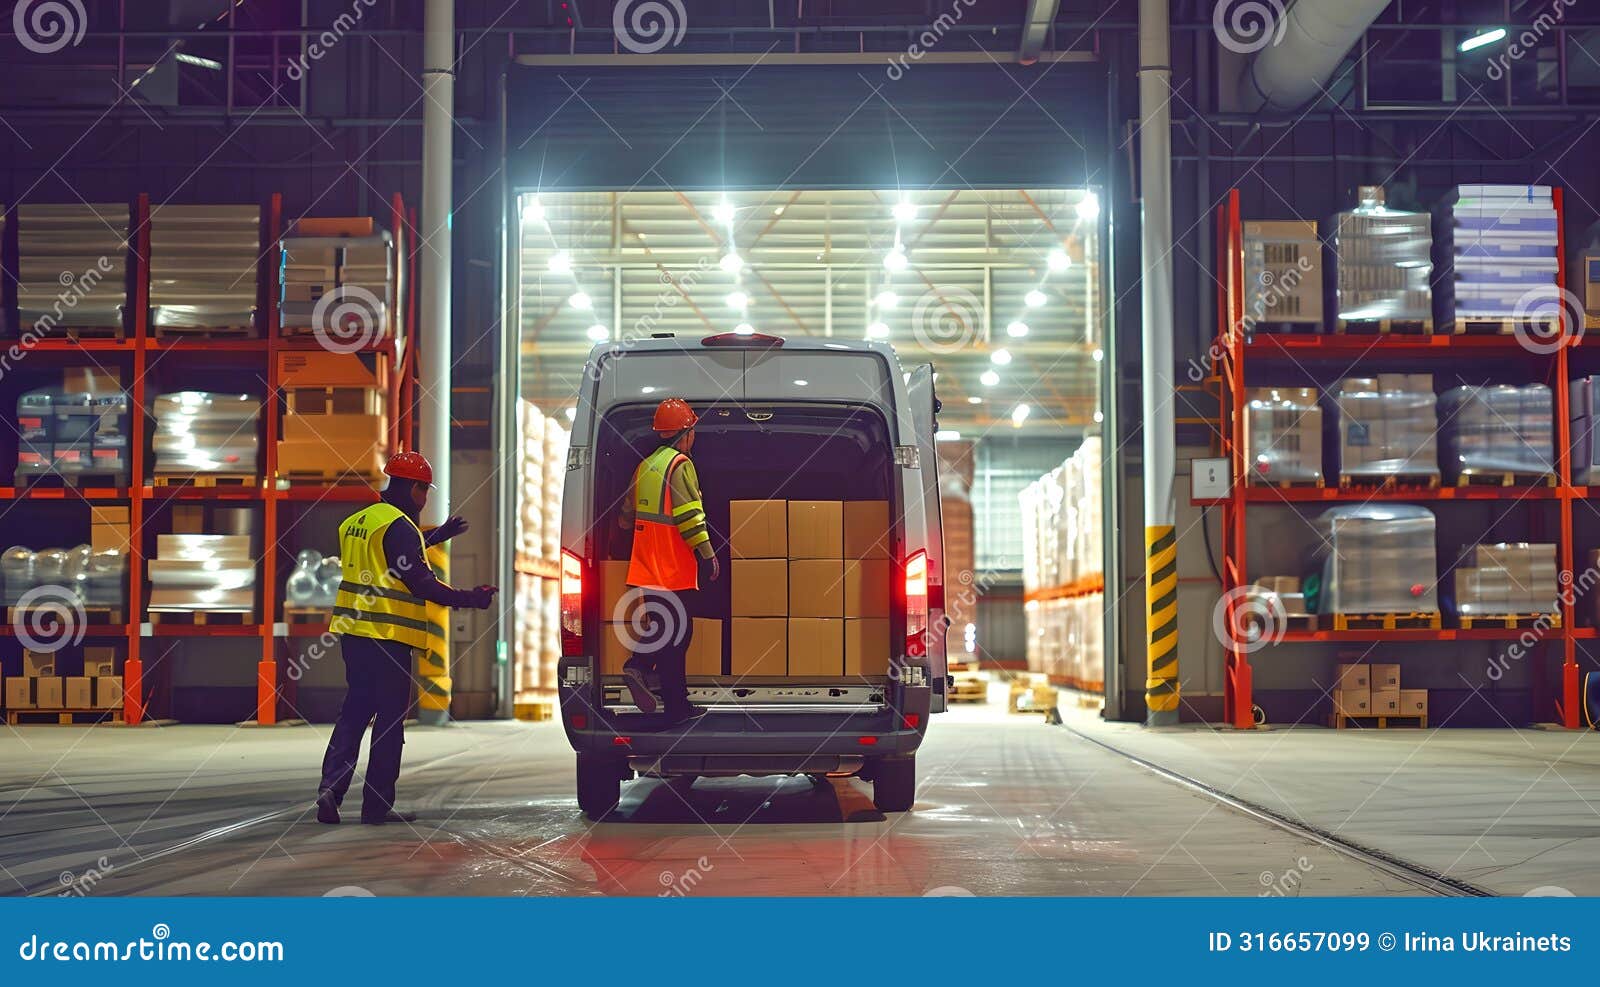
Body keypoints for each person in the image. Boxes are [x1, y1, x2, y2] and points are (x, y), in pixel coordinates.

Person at [315, 451, 498, 825]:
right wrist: (470, 599)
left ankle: (330, 790)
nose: (425, 498)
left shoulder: (357, 522)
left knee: (353, 712)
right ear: (414, 488)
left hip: (354, 634)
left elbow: (389, 560)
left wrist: (437, 535)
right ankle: (376, 806)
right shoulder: (399, 525)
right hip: (389, 637)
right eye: (424, 490)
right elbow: (418, 580)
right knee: (389, 721)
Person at [616, 397, 720, 724]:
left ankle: (674, 703)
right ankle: (640, 667)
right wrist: (708, 555)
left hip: (647, 564)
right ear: (686, 432)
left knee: (667, 630)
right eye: (693, 431)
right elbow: (690, 515)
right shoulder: (680, 465)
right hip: (672, 566)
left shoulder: (645, 465)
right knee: (677, 634)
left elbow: (626, 515)